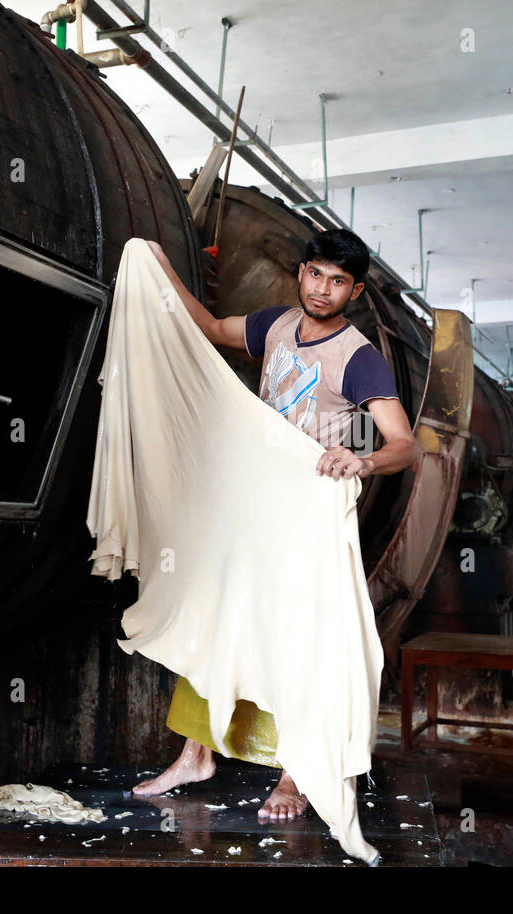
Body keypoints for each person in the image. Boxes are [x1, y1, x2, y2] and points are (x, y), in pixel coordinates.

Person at [134, 229, 420, 822]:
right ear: (301, 272)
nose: (323, 289)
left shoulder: (360, 358)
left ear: (355, 291)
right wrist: (161, 273)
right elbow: (211, 330)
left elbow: (405, 445)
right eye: (316, 274)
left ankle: (295, 775)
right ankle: (196, 753)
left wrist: (363, 458)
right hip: (255, 501)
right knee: (221, 617)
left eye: (338, 281)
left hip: (309, 511)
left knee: (302, 638)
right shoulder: (274, 326)